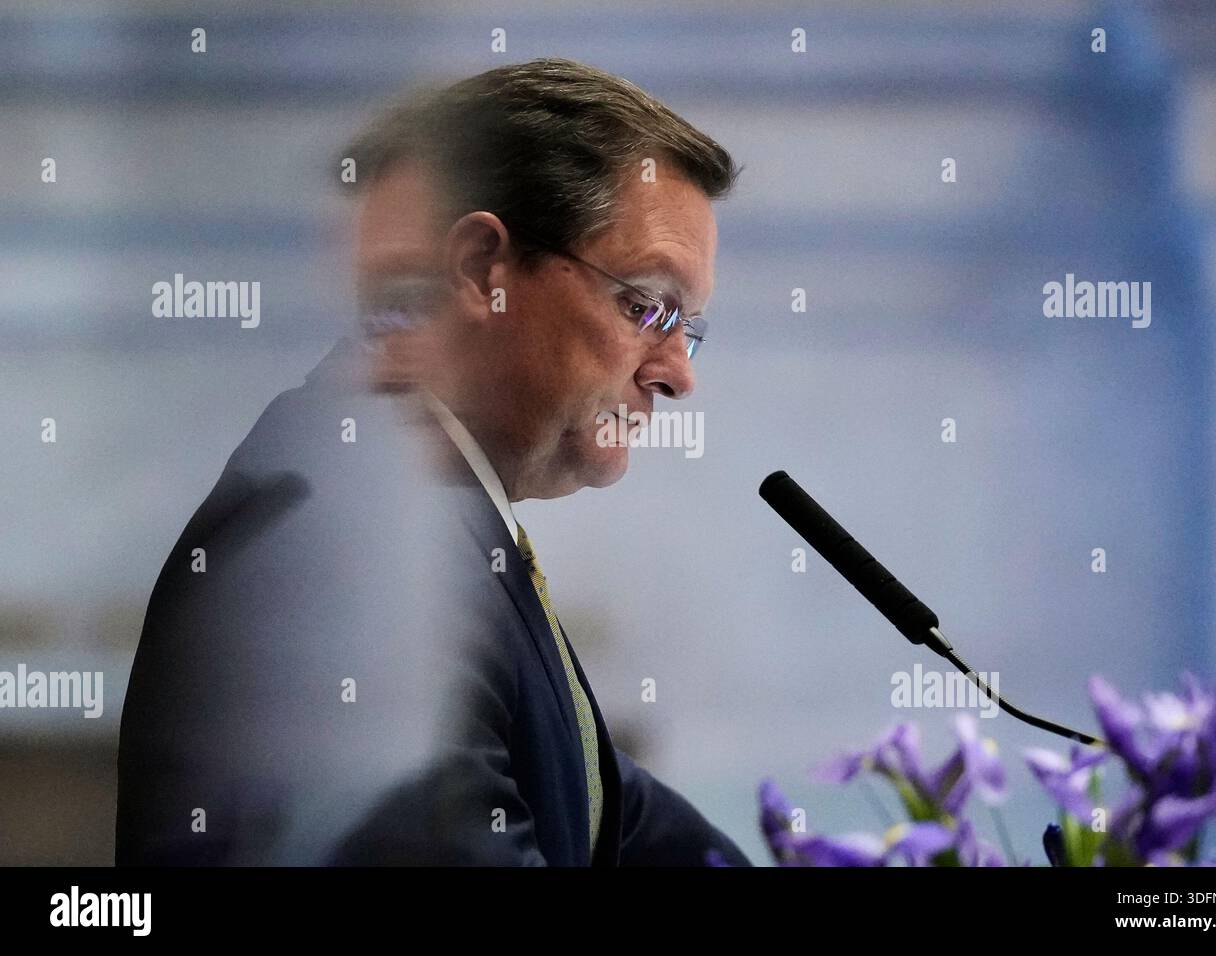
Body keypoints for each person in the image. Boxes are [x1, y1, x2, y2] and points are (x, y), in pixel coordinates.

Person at [115, 58, 750, 866]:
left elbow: (598, 805)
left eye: (686, 325)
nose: (677, 373)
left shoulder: (429, 499)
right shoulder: (350, 527)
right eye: (644, 305)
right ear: (484, 270)